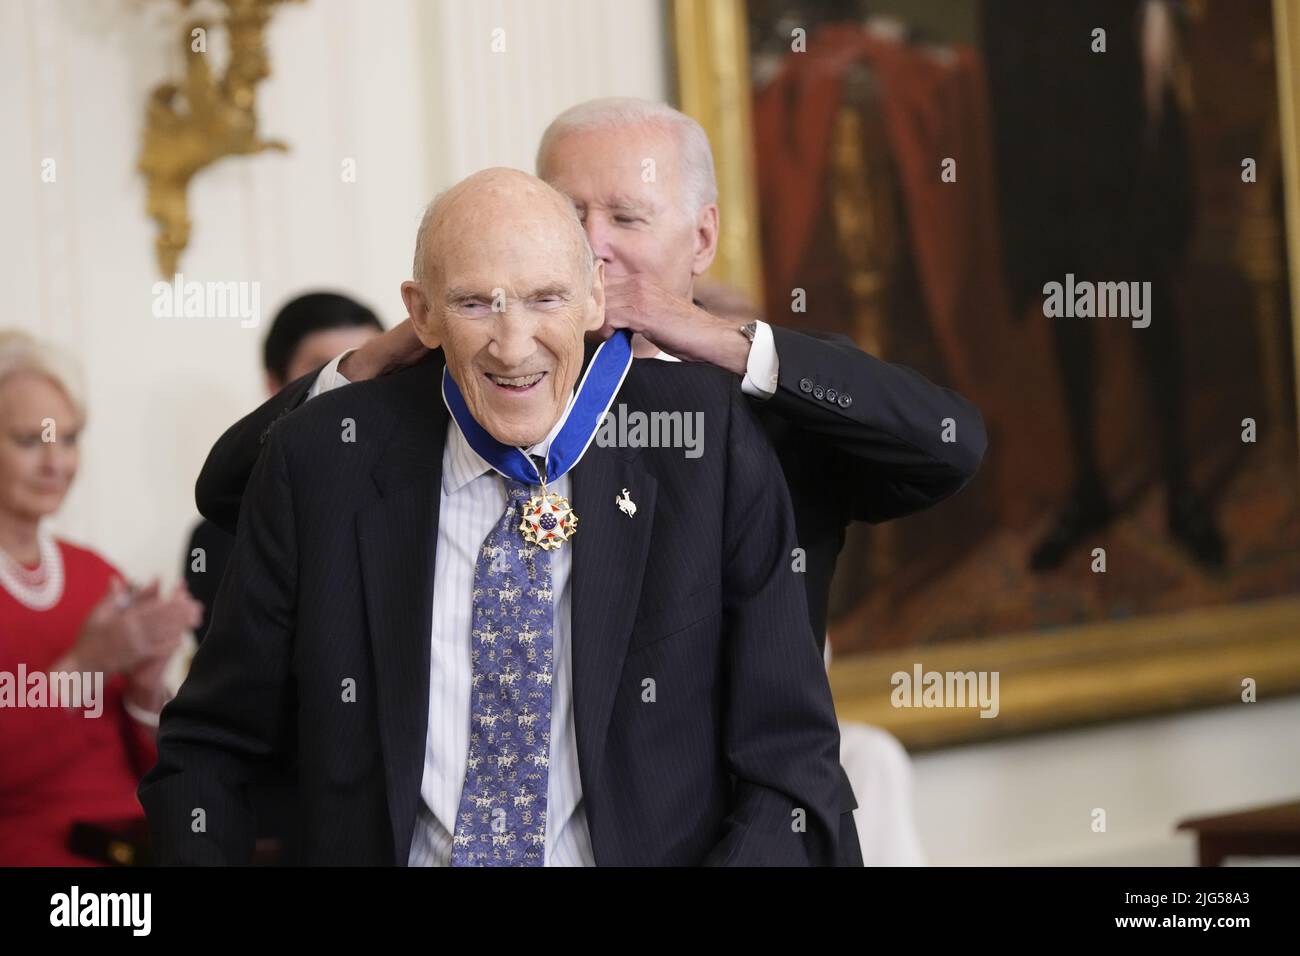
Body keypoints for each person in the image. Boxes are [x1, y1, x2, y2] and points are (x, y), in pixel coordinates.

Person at [190, 99, 988, 866]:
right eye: (569, 217)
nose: (593, 243)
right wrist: (383, 357)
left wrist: (716, 339)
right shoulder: (457, 381)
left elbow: (945, 448)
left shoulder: (749, 419)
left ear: (702, 238)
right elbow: (236, 488)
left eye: (626, 218)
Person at [0, 330, 200, 865]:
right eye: (28, 441)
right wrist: (85, 663)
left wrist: (145, 688)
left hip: (130, 844)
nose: (56, 463)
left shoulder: (94, 573)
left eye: (68, 439)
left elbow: (160, 772)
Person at [184, 292, 384, 643]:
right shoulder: (221, 536)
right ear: (278, 388)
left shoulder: (434, 496)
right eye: (333, 373)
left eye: (370, 367)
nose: (356, 391)